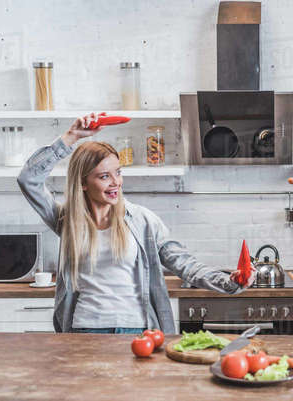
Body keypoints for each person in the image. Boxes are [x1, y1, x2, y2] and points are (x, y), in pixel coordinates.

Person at [17, 113, 253, 334]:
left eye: (118, 173)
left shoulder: (142, 220)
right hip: (84, 329)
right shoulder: (68, 221)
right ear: (83, 183)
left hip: (137, 330)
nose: (115, 183)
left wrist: (229, 282)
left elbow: (185, 265)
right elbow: (28, 179)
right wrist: (71, 137)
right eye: (104, 176)